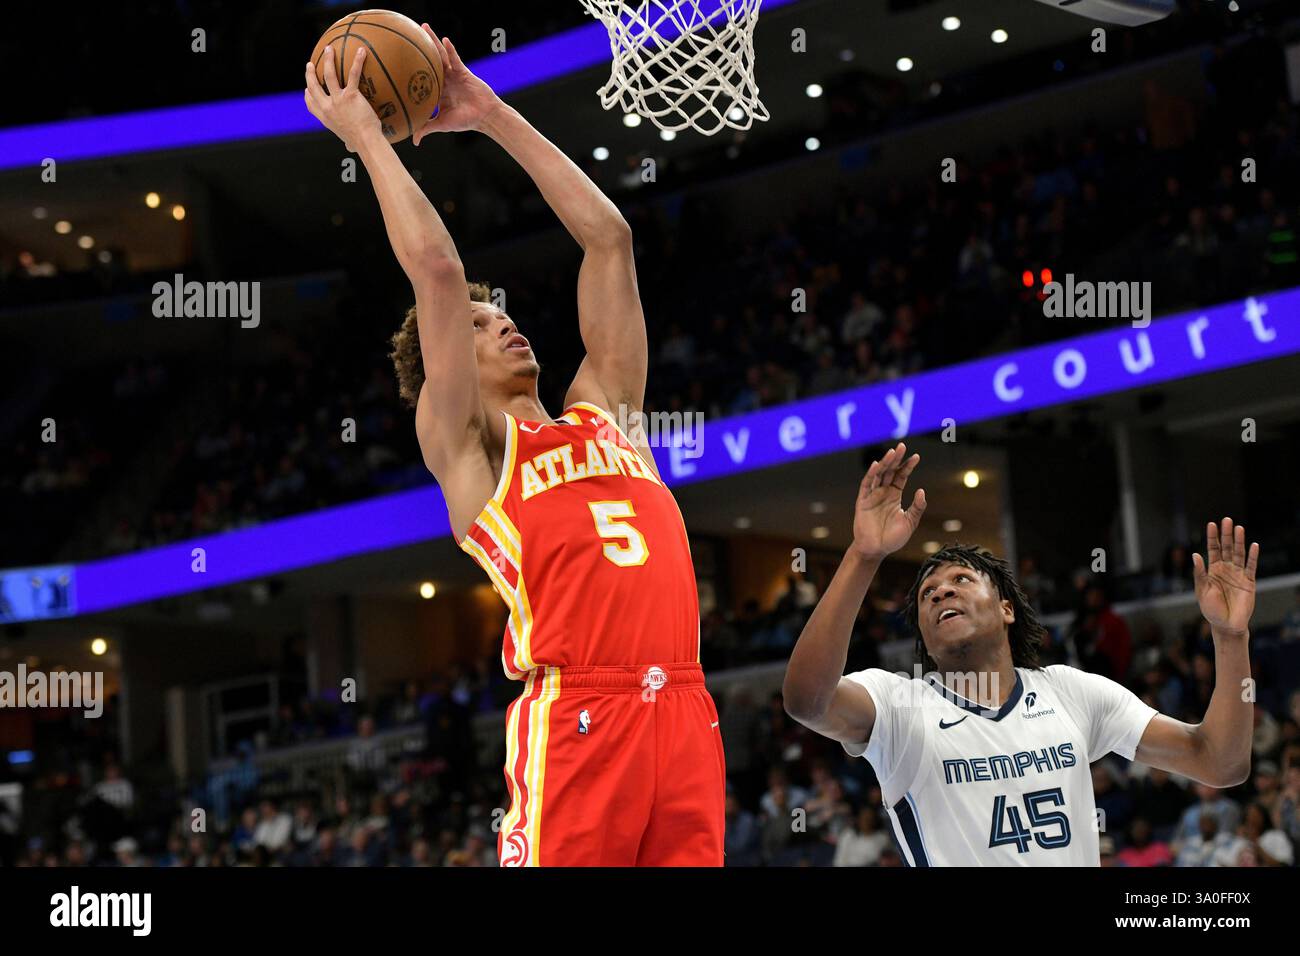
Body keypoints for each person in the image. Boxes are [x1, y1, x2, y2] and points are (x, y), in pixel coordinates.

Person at [304, 33, 724, 867]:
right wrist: (364, 138)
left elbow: (609, 239)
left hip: (684, 707)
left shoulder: (606, 412)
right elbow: (437, 272)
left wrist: (492, 115)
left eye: (504, 317)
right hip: (580, 717)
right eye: (479, 327)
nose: (504, 325)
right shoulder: (468, 445)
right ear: (443, 368)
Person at [782, 442, 1258, 866]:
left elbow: (1220, 762)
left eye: (962, 581)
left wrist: (1231, 637)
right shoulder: (899, 706)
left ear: (1007, 608)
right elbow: (807, 700)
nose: (942, 593)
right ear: (924, 638)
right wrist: (864, 556)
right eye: (929, 595)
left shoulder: (1072, 692)